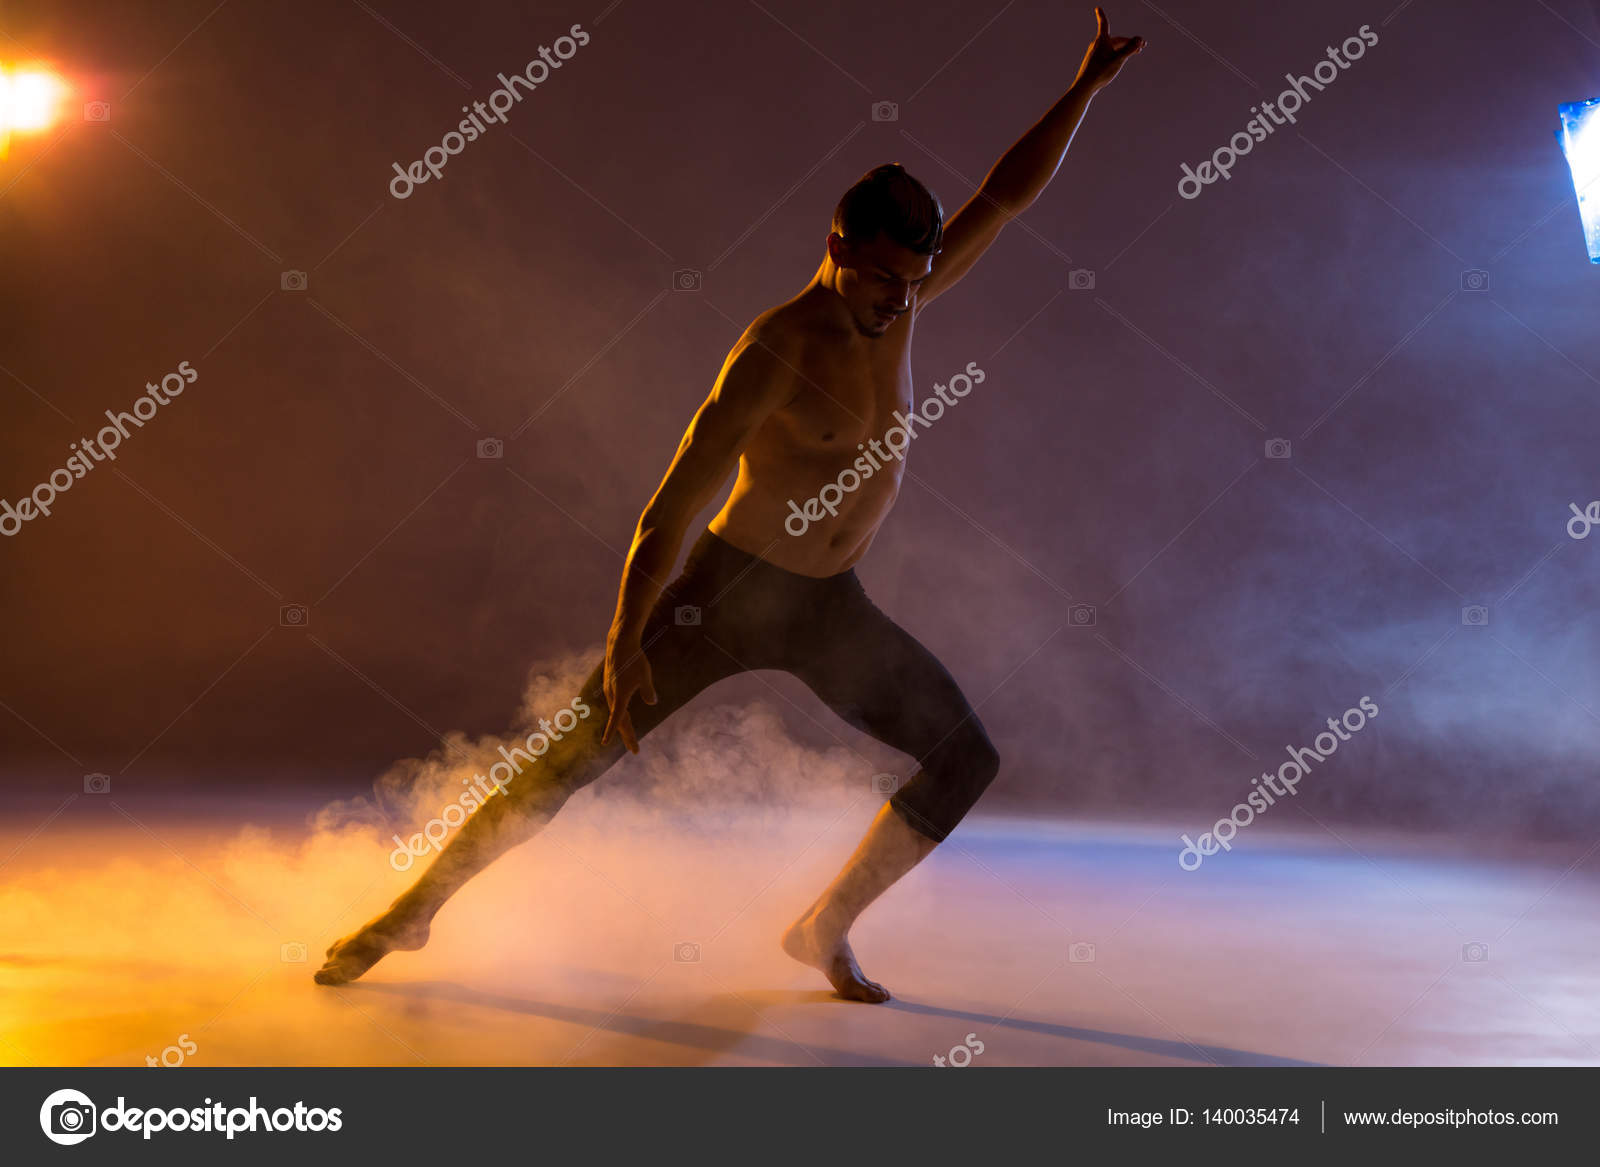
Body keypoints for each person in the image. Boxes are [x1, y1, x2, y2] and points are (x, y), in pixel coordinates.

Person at [316, 8, 1144, 1002]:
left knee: (966, 758)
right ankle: (410, 911)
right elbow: (667, 510)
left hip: (827, 605)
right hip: (722, 596)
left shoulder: (902, 302)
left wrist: (1084, 89)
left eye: (913, 280)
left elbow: (1002, 199)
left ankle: (822, 928)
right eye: (881, 278)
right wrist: (625, 643)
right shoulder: (774, 351)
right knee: (566, 760)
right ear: (834, 245)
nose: (898, 298)